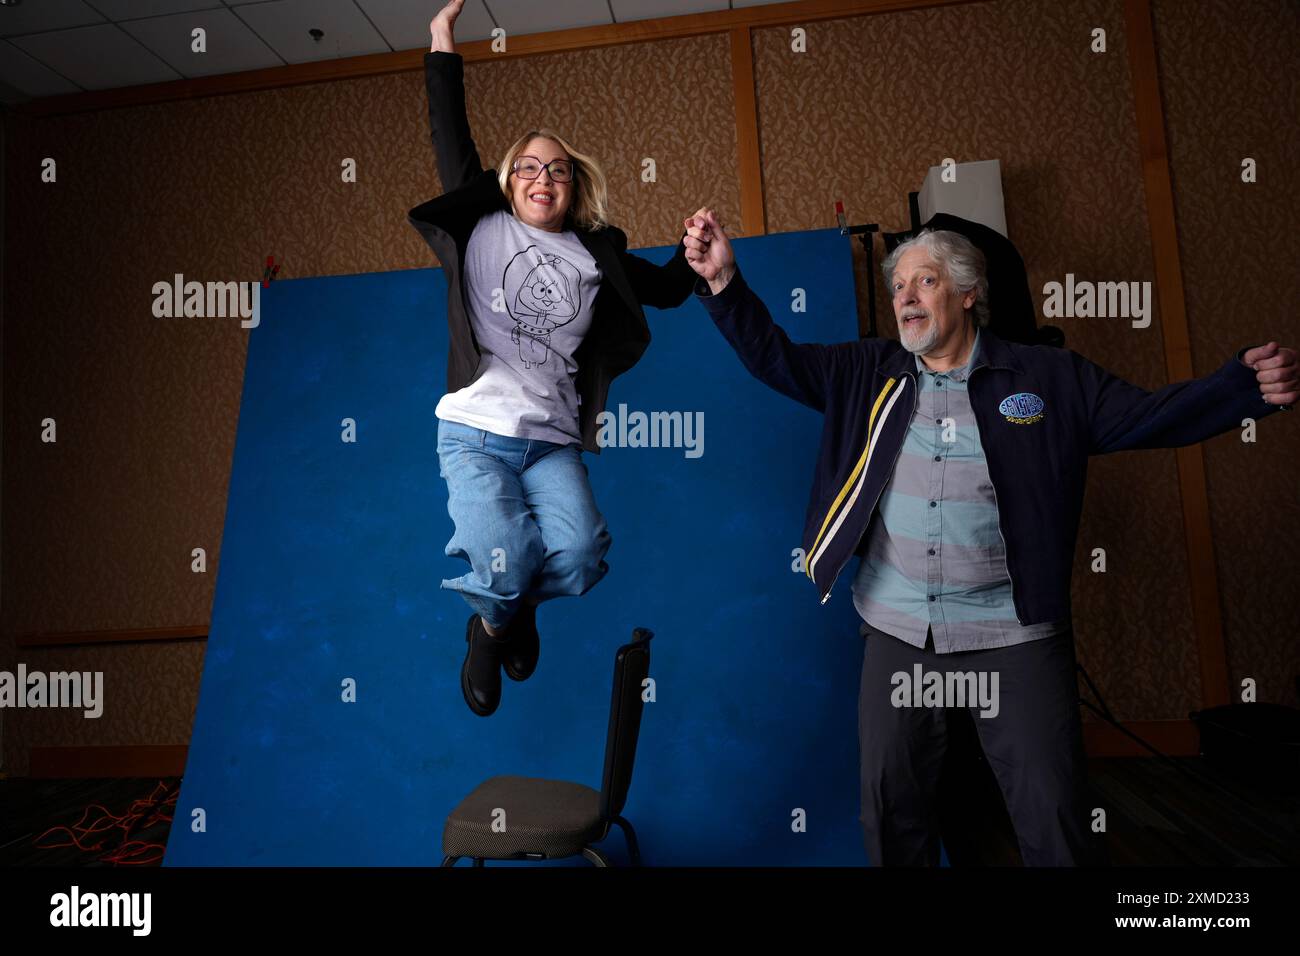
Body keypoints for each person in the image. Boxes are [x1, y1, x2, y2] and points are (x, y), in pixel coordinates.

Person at [682, 209, 1297, 865]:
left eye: (925, 282)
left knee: (1052, 813)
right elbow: (777, 360)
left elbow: (1151, 416)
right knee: (891, 808)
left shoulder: (1049, 377)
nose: (906, 299)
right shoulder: (870, 373)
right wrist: (724, 283)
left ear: (969, 292)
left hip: (1014, 635)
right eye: (898, 288)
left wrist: (1244, 389)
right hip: (899, 628)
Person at [408, 0, 701, 717]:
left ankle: (505, 611)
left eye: (560, 171)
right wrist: (443, 42)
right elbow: (451, 132)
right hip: (474, 434)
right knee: (504, 553)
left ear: (575, 188)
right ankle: (491, 622)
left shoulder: (594, 255)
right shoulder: (482, 227)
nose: (544, 178)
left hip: (550, 445)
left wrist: (694, 256)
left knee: (581, 558)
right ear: (509, 182)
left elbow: (663, 290)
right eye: (529, 168)